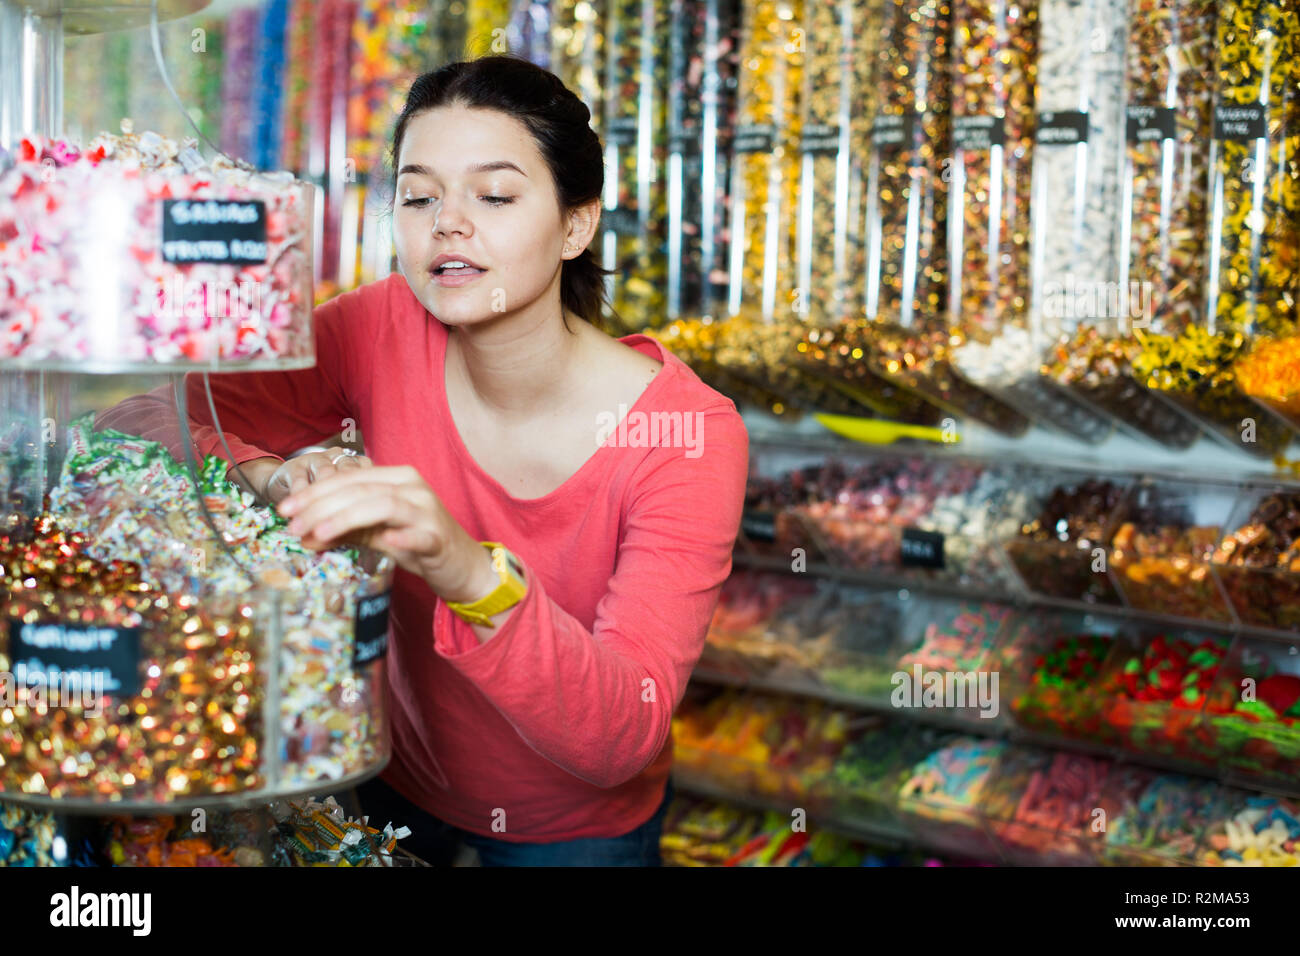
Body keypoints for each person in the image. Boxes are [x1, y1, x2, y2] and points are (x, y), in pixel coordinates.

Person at [96, 55, 748, 866]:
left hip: (571, 829)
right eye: (418, 194)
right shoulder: (382, 326)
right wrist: (274, 472)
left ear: (576, 226)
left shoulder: (688, 433)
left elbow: (623, 733)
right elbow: (143, 416)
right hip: (392, 785)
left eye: (496, 195)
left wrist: (465, 569)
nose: (447, 222)